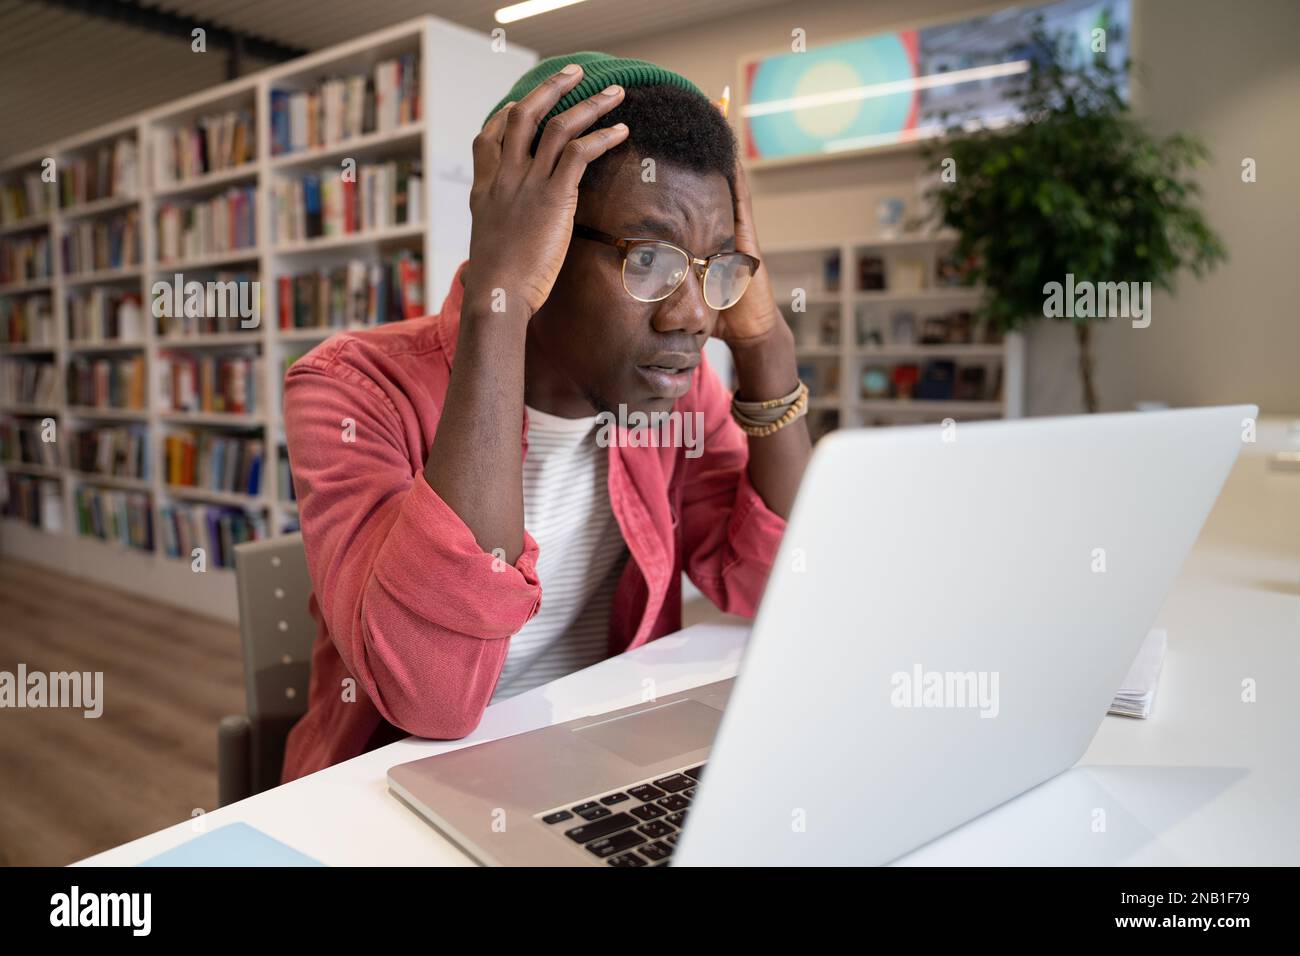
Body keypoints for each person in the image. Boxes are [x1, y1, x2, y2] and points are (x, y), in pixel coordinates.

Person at [280, 53, 811, 781]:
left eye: (714, 267)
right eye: (649, 259)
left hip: (614, 757)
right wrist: (497, 298)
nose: (693, 315)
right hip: (400, 790)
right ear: (539, 240)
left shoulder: (673, 397)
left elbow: (769, 585)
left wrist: (764, 344)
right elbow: (431, 701)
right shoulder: (352, 390)